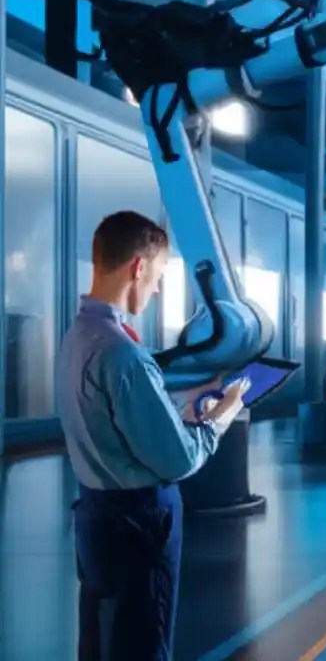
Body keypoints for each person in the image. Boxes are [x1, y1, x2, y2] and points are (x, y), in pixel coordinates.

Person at [55, 210, 249, 661]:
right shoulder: (124, 354)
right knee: (143, 642)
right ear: (138, 268)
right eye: (159, 275)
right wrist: (221, 414)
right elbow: (179, 460)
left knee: (103, 641)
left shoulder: (80, 335)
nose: (158, 287)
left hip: (96, 515)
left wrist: (172, 403)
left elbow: (112, 414)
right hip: (138, 523)